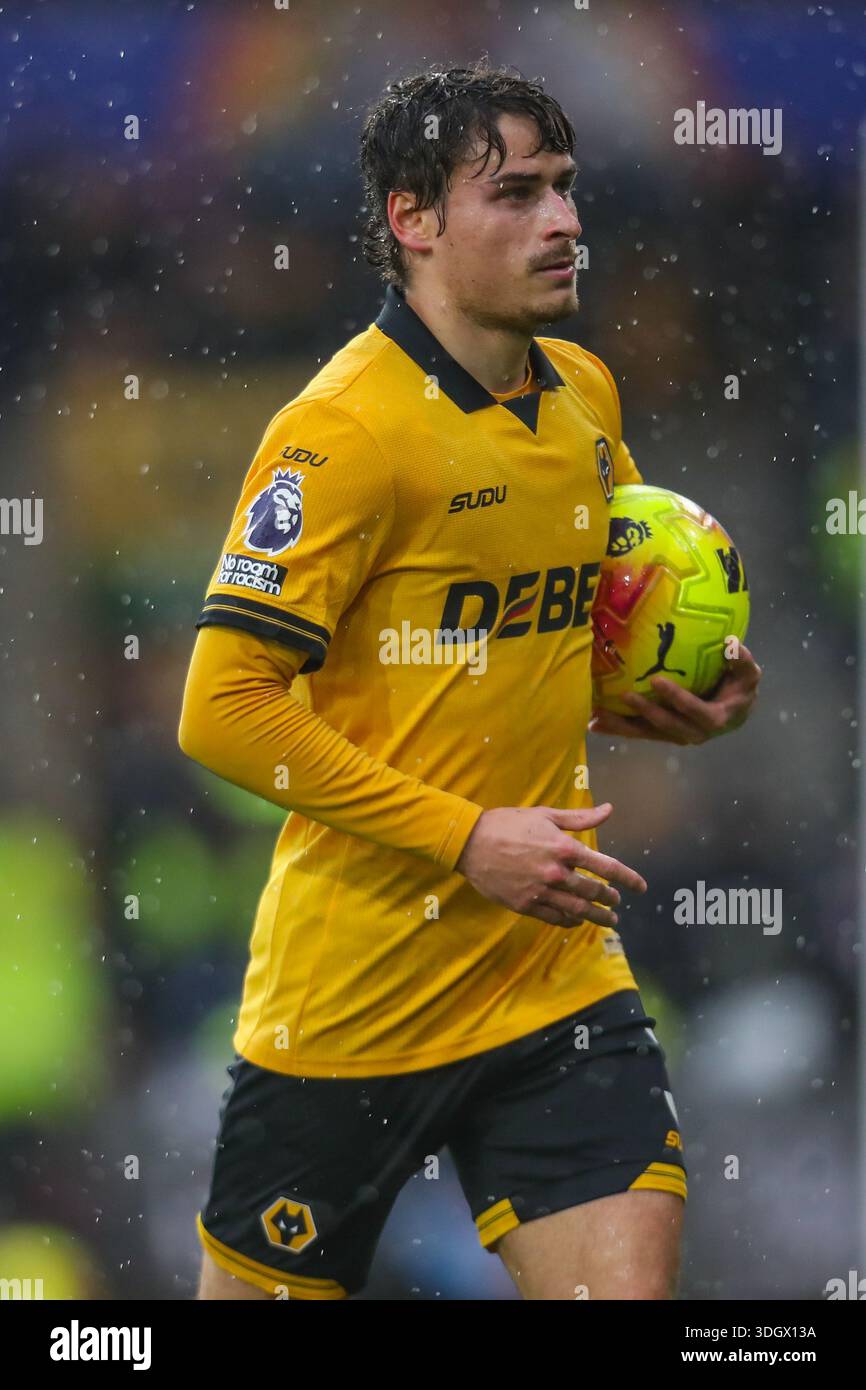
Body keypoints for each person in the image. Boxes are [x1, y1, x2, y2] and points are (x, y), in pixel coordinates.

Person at [178, 59, 761, 1301]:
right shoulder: (340, 432)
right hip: (351, 1000)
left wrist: (658, 697)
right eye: (515, 195)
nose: (562, 222)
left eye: (564, 188)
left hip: (553, 979)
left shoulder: (584, 395)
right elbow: (220, 711)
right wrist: (463, 838)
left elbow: (537, 649)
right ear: (414, 220)